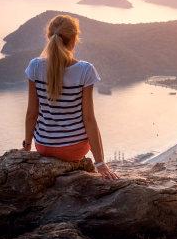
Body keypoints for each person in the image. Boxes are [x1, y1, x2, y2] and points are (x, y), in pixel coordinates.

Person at [22, 14, 118, 180]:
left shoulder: (35, 66)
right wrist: (100, 163)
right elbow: (89, 119)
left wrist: (27, 147)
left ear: (48, 38)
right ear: (74, 39)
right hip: (75, 148)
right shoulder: (85, 70)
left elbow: (32, 112)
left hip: (44, 146)